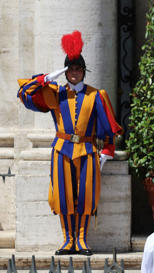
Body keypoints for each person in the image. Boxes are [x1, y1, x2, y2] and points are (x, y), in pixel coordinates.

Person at [16, 30, 123, 255]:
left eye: (78, 69)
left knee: (86, 195)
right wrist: (47, 78)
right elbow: (25, 93)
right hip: (61, 149)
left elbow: (108, 127)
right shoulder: (56, 93)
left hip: (87, 149)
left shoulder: (96, 95)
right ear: (66, 72)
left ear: (83, 71)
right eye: (70, 69)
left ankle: (82, 239)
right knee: (63, 195)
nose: (74, 73)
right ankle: (67, 239)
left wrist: (106, 153)